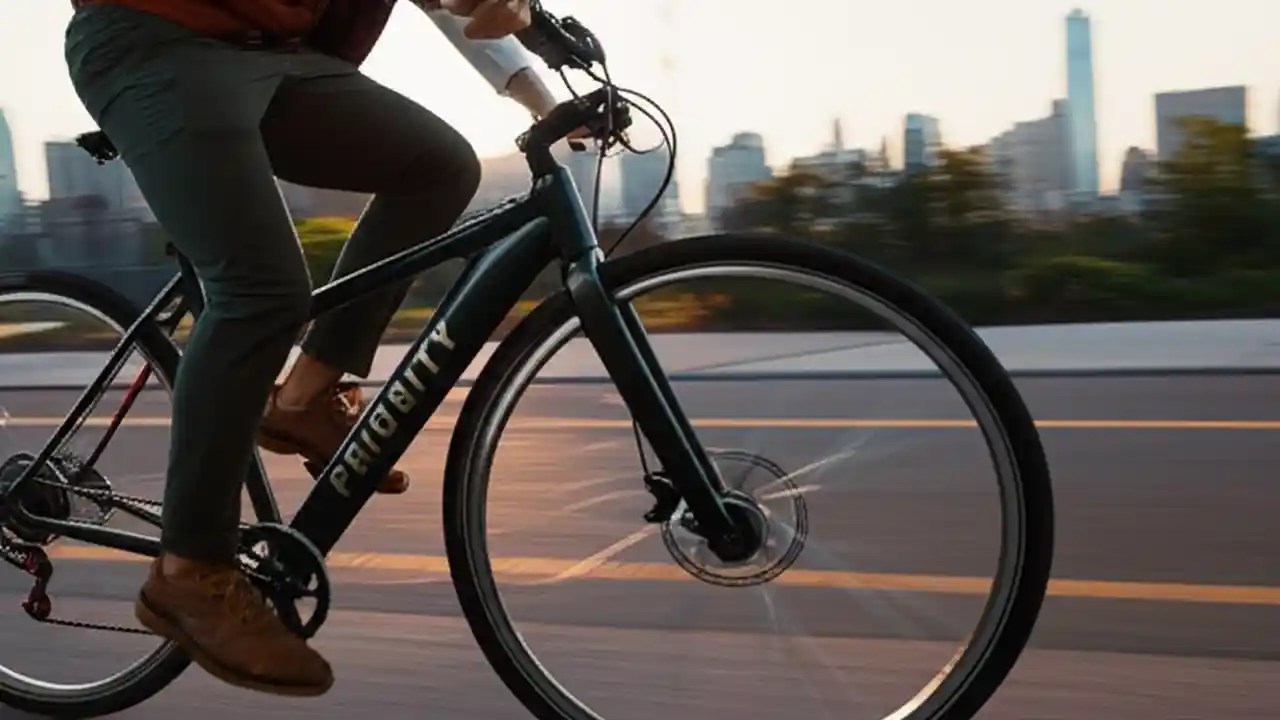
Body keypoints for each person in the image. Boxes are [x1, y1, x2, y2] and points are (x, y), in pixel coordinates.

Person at [63, 0, 572, 697]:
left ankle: (303, 397)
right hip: (155, 36)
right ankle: (190, 573)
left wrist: (542, 93)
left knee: (442, 167)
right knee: (261, 289)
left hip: (271, 52)